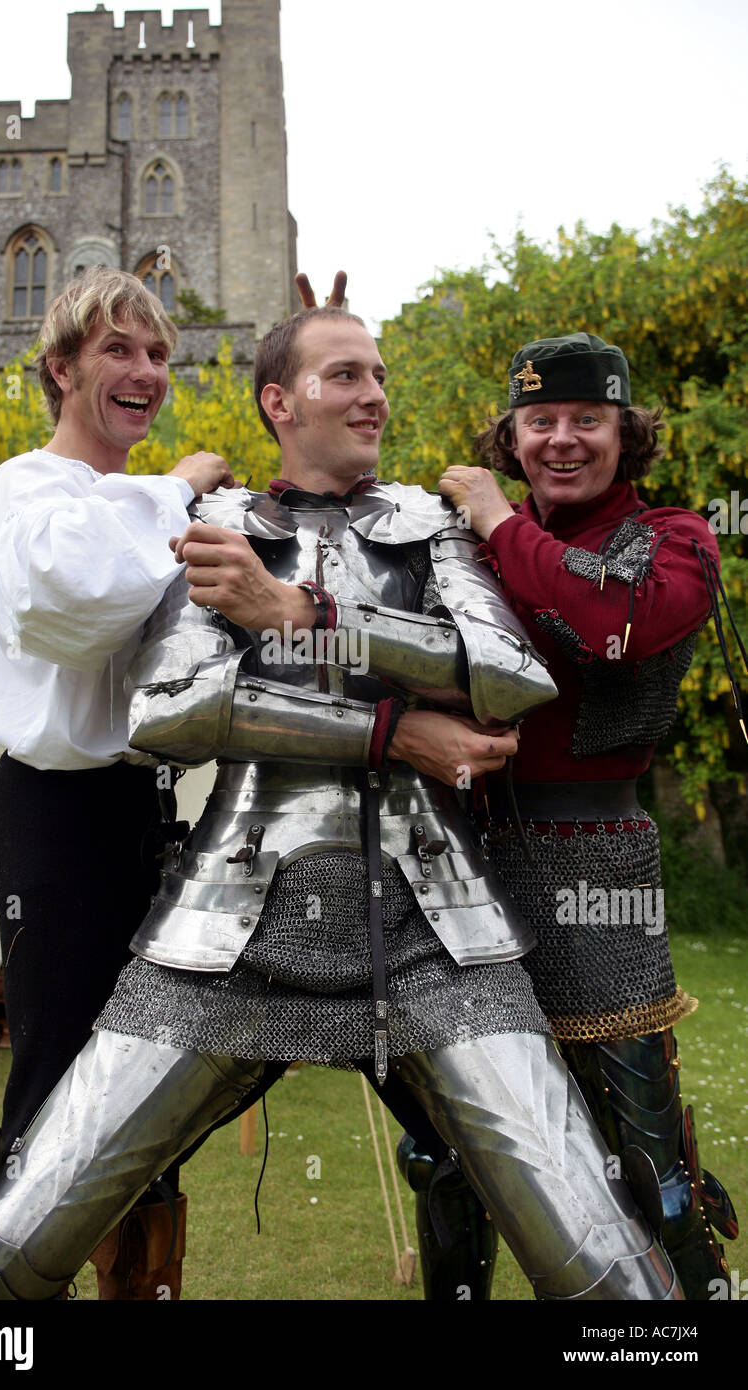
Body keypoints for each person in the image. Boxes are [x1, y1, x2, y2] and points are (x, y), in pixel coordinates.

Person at [0, 306, 684, 1302]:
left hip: (434, 919)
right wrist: (392, 729)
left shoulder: (428, 526)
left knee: (608, 1266)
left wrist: (303, 615)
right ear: (279, 401)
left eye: (378, 374)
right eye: (345, 375)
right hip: (226, 914)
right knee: (13, 1242)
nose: (374, 392)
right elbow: (171, 709)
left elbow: (508, 677)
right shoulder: (217, 526)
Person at [412, 330, 738, 1300]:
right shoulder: (460, 546)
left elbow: (612, 624)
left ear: (620, 430)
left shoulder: (675, 539)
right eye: (538, 419)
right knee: (448, 1150)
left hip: (598, 875)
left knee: (642, 1168)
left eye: (583, 419)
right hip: (463, 866)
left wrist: (493, 518)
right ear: (510, 433)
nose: (560, 438)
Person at [0, 266, 235, 1298]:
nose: (146, 371)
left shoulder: (153, 508)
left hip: (142, 812)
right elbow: (67, 596)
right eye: (119, 349)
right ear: (60, 367)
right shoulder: (29, 487)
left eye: (158, 354)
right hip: (51, 809)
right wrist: (184, 482)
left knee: (150, 1085)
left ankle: (139, 1286)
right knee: (58, 1080)